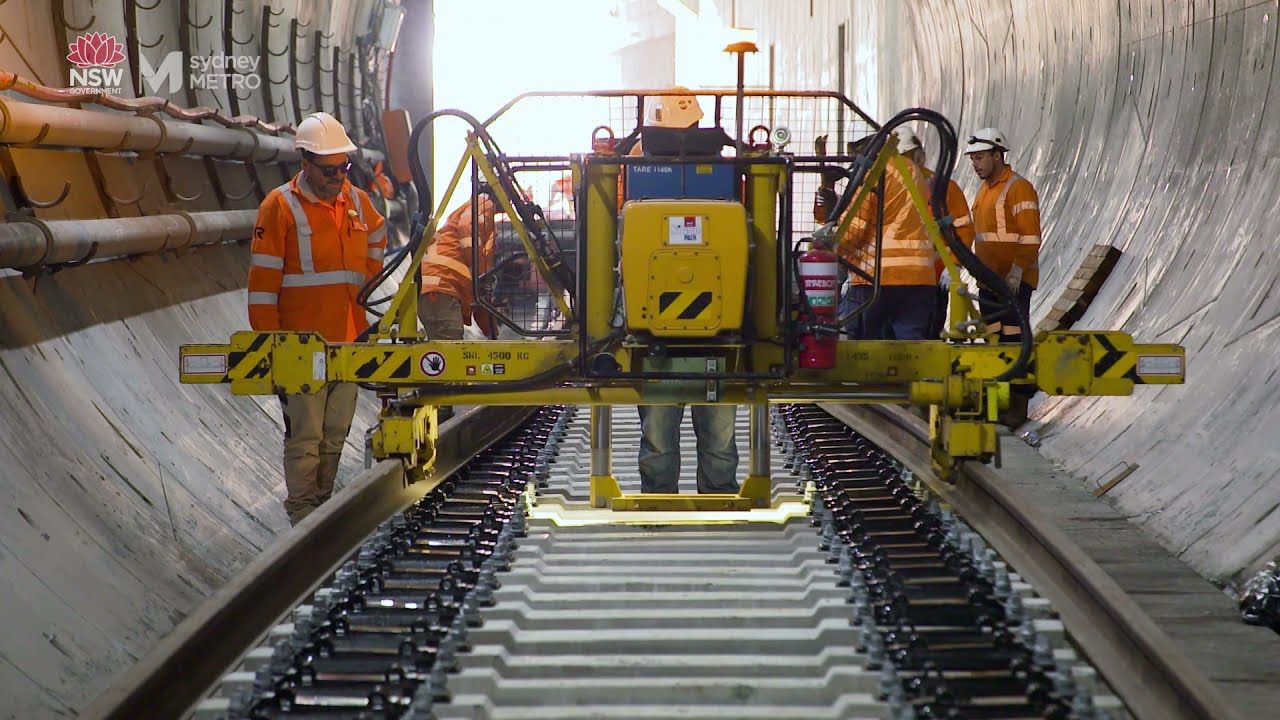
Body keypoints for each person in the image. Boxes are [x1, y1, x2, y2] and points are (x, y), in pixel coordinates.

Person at [247, 112, 387, 525]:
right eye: (329, 169)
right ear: (305, 163)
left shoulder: (358, 202)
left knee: (334, 433)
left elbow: (378, 235)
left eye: (344, 166)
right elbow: (262, 285)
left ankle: (321, 504)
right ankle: (303, 513)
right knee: (305, 436)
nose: (339, 176)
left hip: (348, 339)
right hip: (299, 346)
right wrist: (270, 345)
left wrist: (367, 281)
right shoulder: (280, 207)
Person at [632, 90, 740, 495]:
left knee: (660, 438)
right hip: (717, 343)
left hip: (658, 343)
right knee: (718, 438)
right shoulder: (727, 173)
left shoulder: (635, 173)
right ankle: (718, 497)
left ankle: (659, 500)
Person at [823, 126, 943, 340]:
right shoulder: (911, 170)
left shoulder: (874, 173)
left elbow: (856, 228)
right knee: (912, 349)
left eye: (854, 151)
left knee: (870, 351)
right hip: (920, 275)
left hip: (878, 277)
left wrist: (831, 245)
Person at [964, 127, 1042, 427]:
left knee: (1013, 341)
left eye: (981, 158)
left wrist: (1018, 270)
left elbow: (1031, 235)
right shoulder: (984, 190)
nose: (976, 164)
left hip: (1012, 282)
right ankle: (999, 404)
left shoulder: (1017, 188)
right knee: (994, 342)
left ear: (998, 155)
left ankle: (1018, 406)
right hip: (989, 282)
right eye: (973, 159)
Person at [418, 193, 498, 420]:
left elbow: (481, 298)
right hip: (439, 288)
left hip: (440, 291)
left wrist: (494, 336)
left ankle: (441, 408)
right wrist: (481, 270)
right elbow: (467, 229)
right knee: (448, 349)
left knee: (448, 344)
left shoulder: (485, 228)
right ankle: (440, 412)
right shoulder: (485, 203)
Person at [893, 128, 975, 338]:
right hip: (895, 280)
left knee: (927, 333)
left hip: (934, 278)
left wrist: (954, 264)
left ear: (919, 157)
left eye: (907, 158)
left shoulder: (942, 188)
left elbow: (963, 227)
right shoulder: (890, 189)